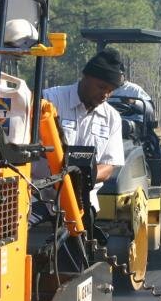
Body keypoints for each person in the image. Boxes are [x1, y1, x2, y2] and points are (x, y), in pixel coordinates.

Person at [38, 47, 126, 215]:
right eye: (101, 87)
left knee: (81, 240)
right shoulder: (49, 101)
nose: (105, 95)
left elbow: (108, 166)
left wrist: (81, 178)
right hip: (40, 198)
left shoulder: (112, 118)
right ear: (85, 77)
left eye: (110, 90)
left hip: (84, 204)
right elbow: (32, 143)